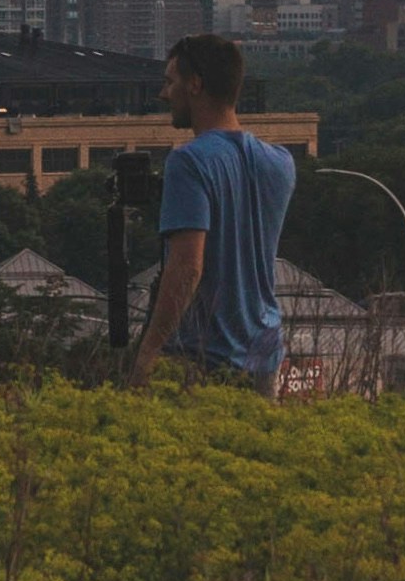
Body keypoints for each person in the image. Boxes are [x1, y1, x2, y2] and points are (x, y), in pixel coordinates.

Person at [126, 32, 297, 393]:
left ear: (195, 85)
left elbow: (187, 266)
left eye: (170, 82)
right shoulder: (281, 163)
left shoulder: (188, 162)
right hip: (263, 354)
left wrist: (149, 352)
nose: (163, 94)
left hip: (204, 357)